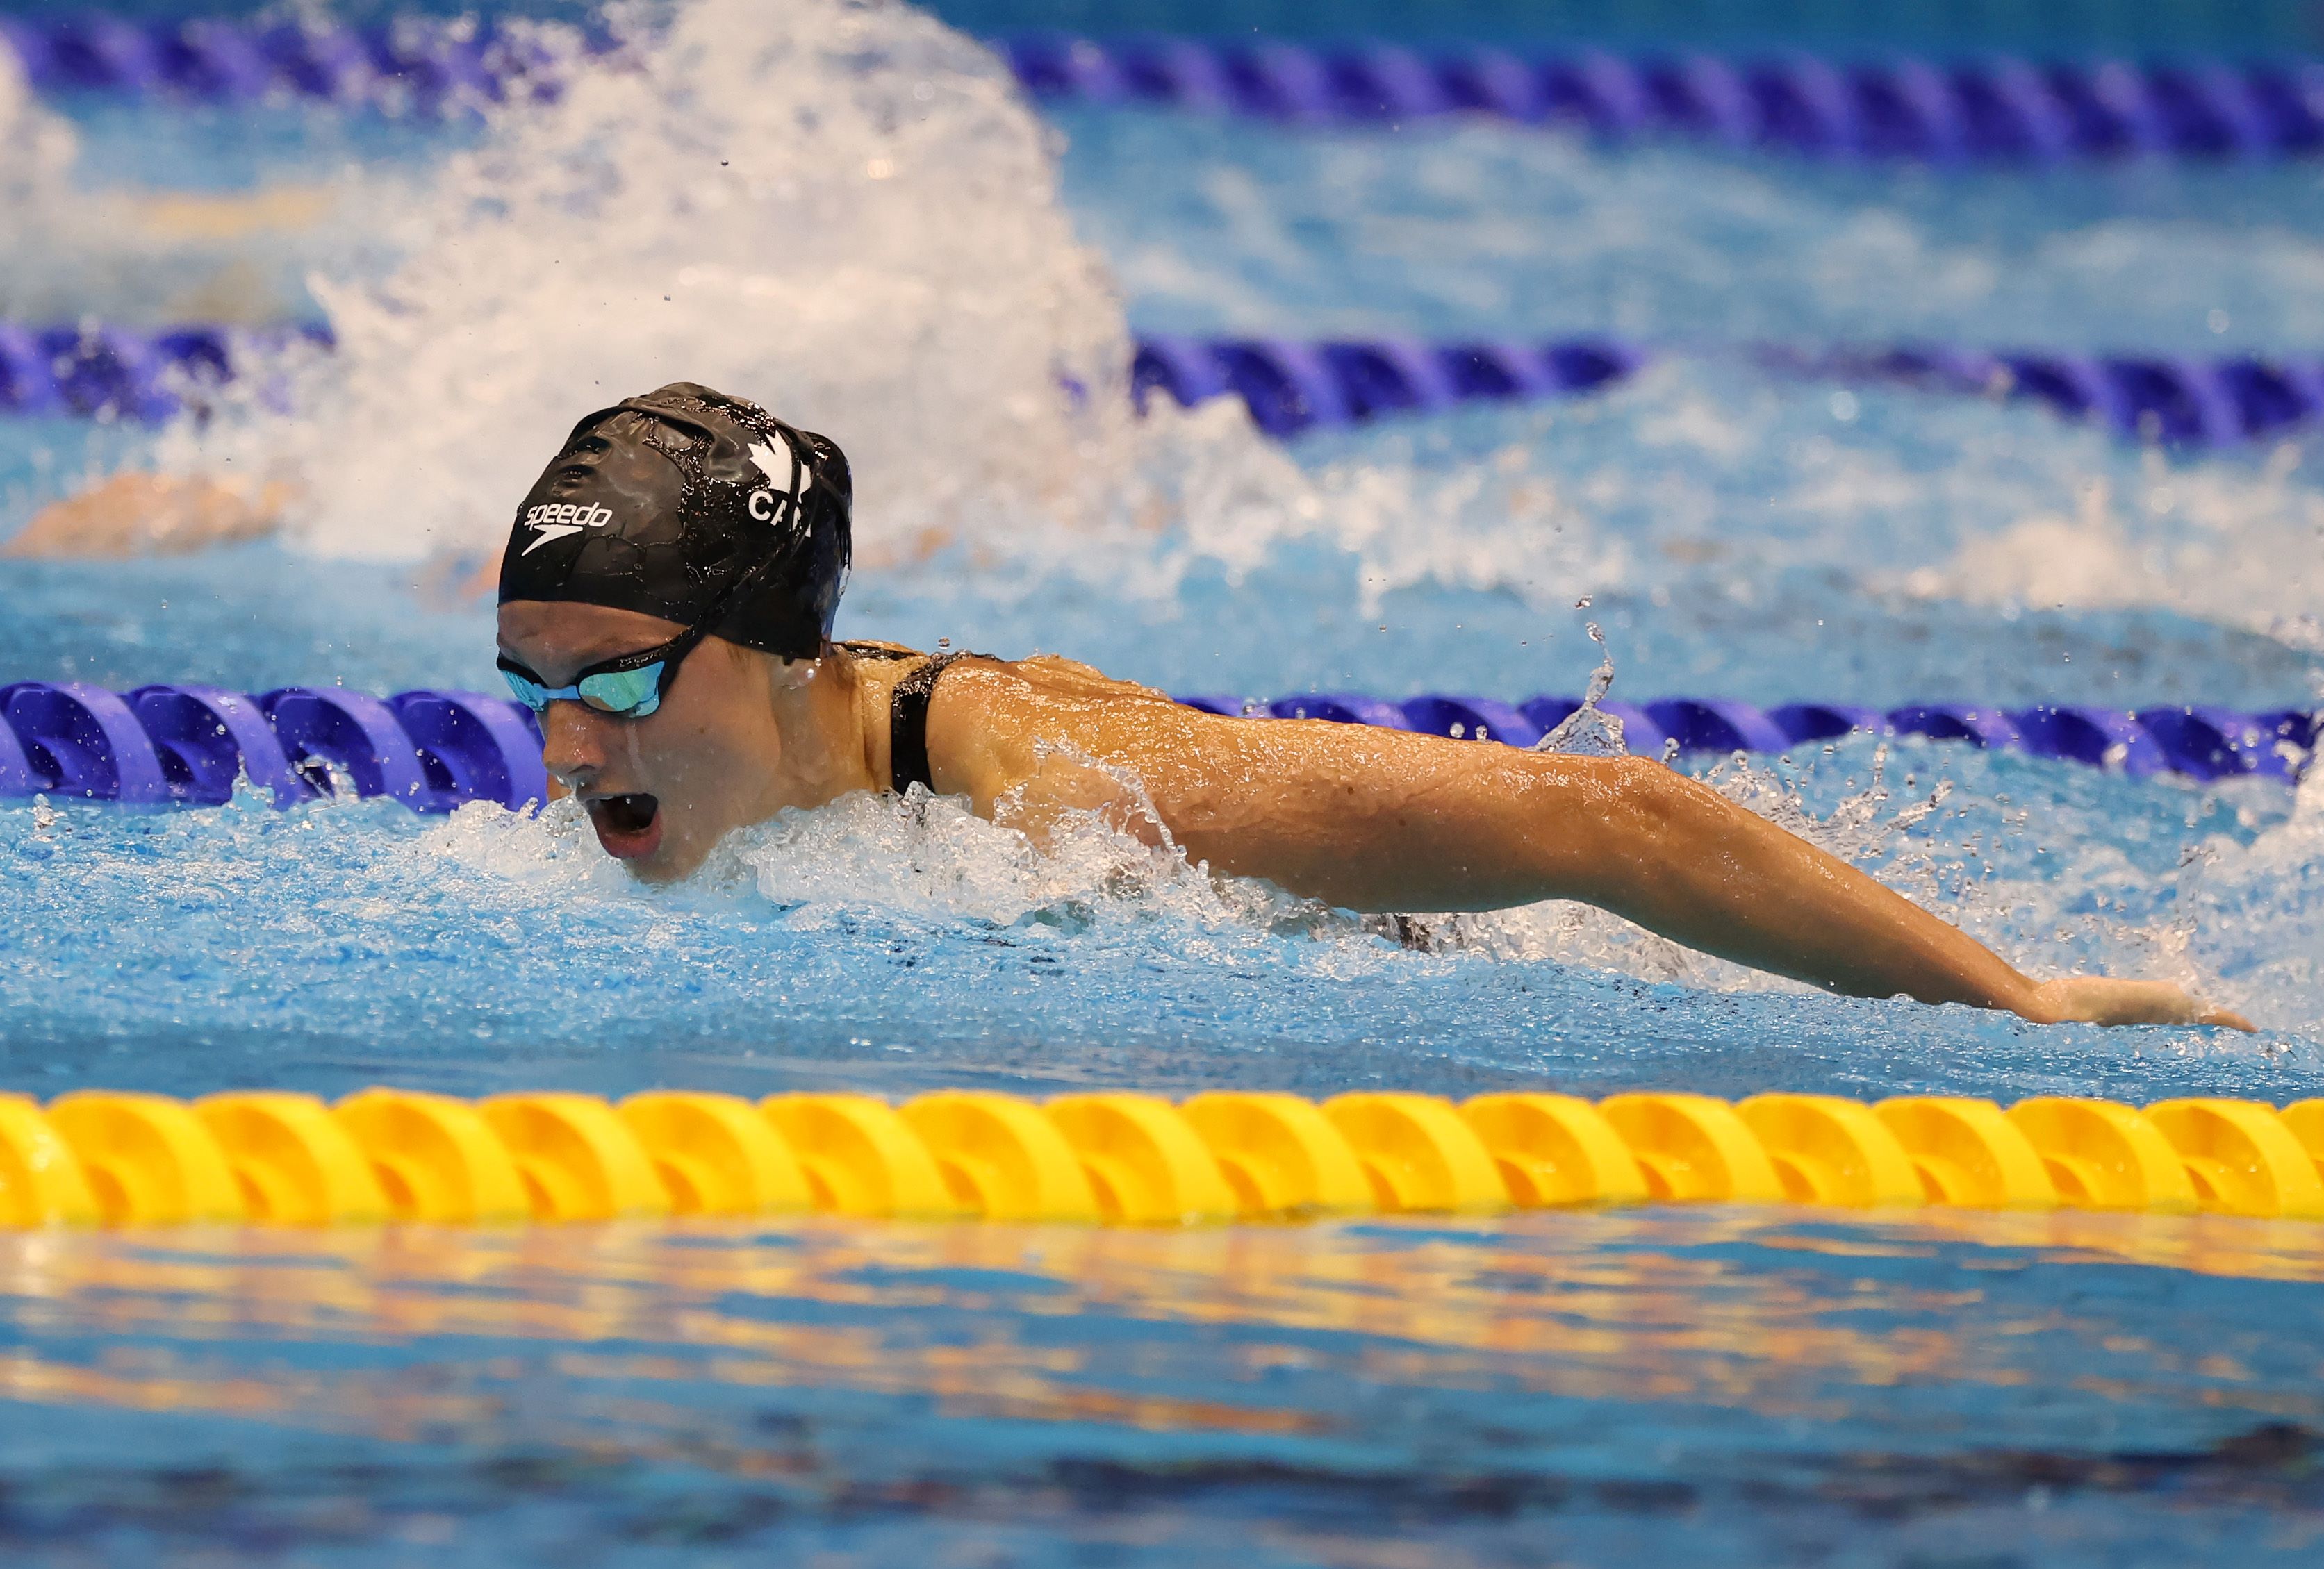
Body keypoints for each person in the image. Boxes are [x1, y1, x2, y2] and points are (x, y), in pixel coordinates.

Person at [499, 381, 2247, 1031]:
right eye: (534, 692)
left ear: (780, 653)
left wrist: (2017, 1003)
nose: (568, 748)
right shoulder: (691, 781)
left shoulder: (1057, 783)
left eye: (619, 682)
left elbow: (1603, 821)